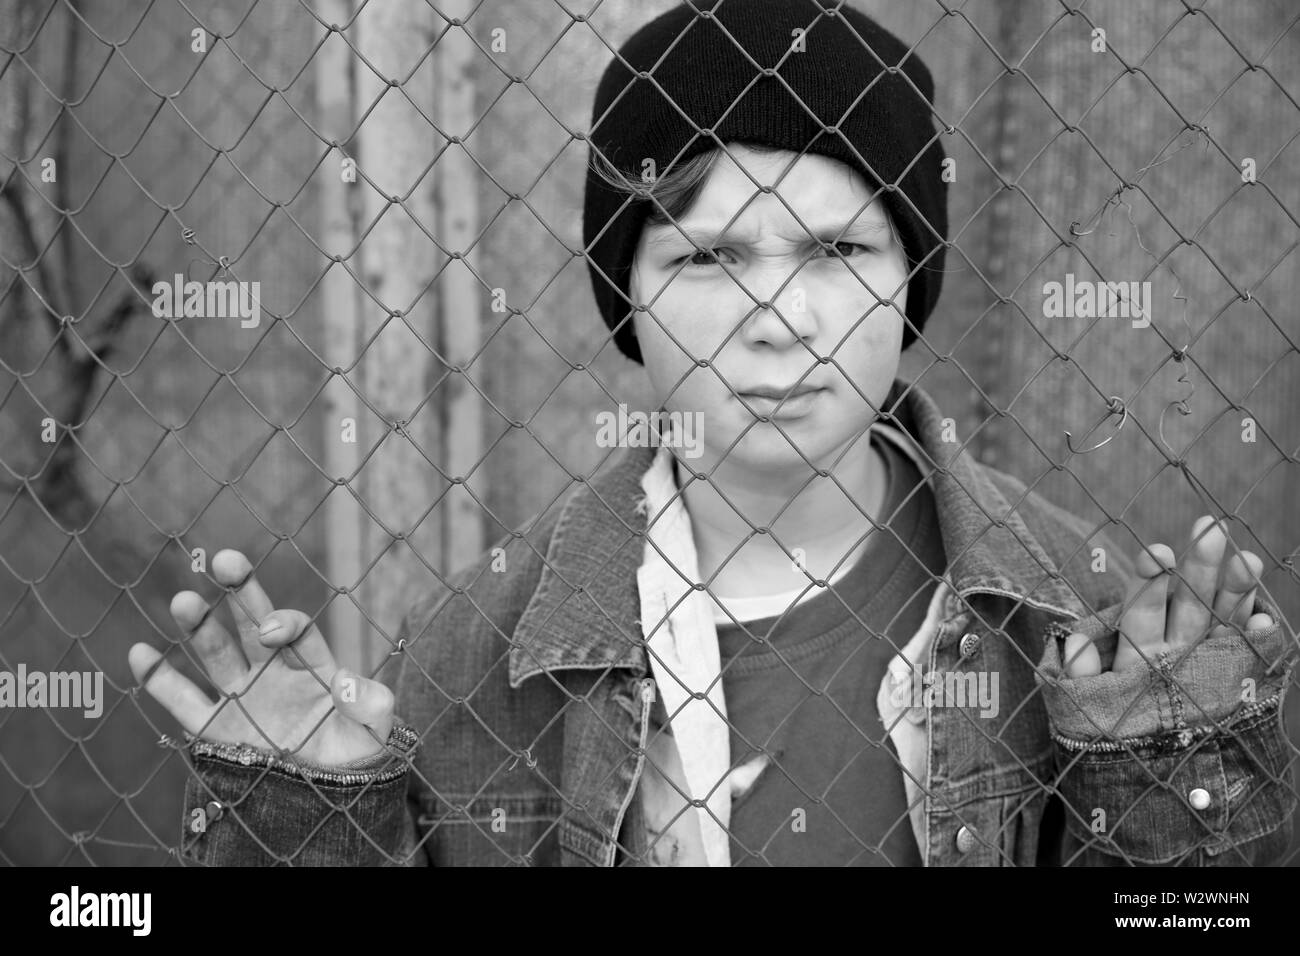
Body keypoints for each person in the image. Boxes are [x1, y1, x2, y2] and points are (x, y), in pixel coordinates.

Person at [128, 0, 1294, 866]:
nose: (778, 321)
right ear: (624, 296)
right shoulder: (474, 647)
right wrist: (305, 825)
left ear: (911, 283)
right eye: (706, 257)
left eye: (837, 251)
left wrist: (1170, 788)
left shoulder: (1085, 624)